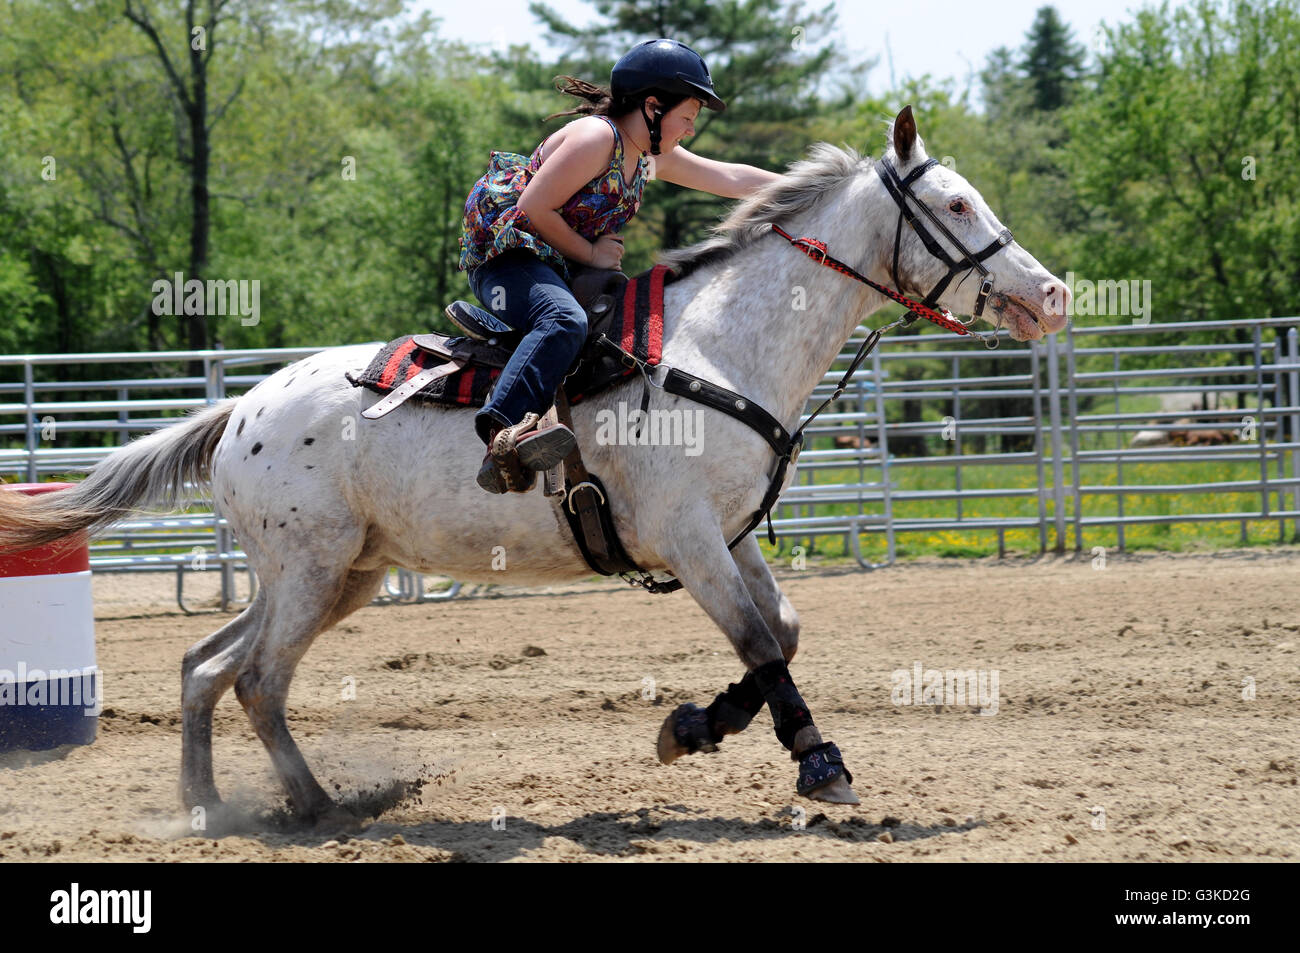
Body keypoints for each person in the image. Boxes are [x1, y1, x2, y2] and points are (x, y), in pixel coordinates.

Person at [458, 37, 782, 493]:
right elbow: (532, 210)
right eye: (687, 117)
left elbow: (728, 177)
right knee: (563, 319)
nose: (689, 130)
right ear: (653, 107)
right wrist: (591, 255)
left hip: (559, 267)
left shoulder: (647, 156)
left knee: (626, 328)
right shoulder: (596, 139)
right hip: (509, 262)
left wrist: (812, 190)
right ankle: (502, 433)